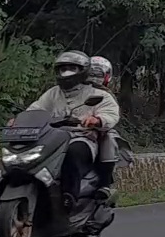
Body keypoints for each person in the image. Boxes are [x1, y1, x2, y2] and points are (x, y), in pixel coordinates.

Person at [24, 51, 121, 202]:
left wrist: (97, 119)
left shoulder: (100, 94)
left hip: (82, 136)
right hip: (51, 137)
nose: (67, 73)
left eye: (72, 69)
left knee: (73, 152)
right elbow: (36, 109)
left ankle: (69, 196)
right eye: (63, 69)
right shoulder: (52, 93)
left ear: (82, 71)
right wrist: (21, 119)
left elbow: (110, 113)